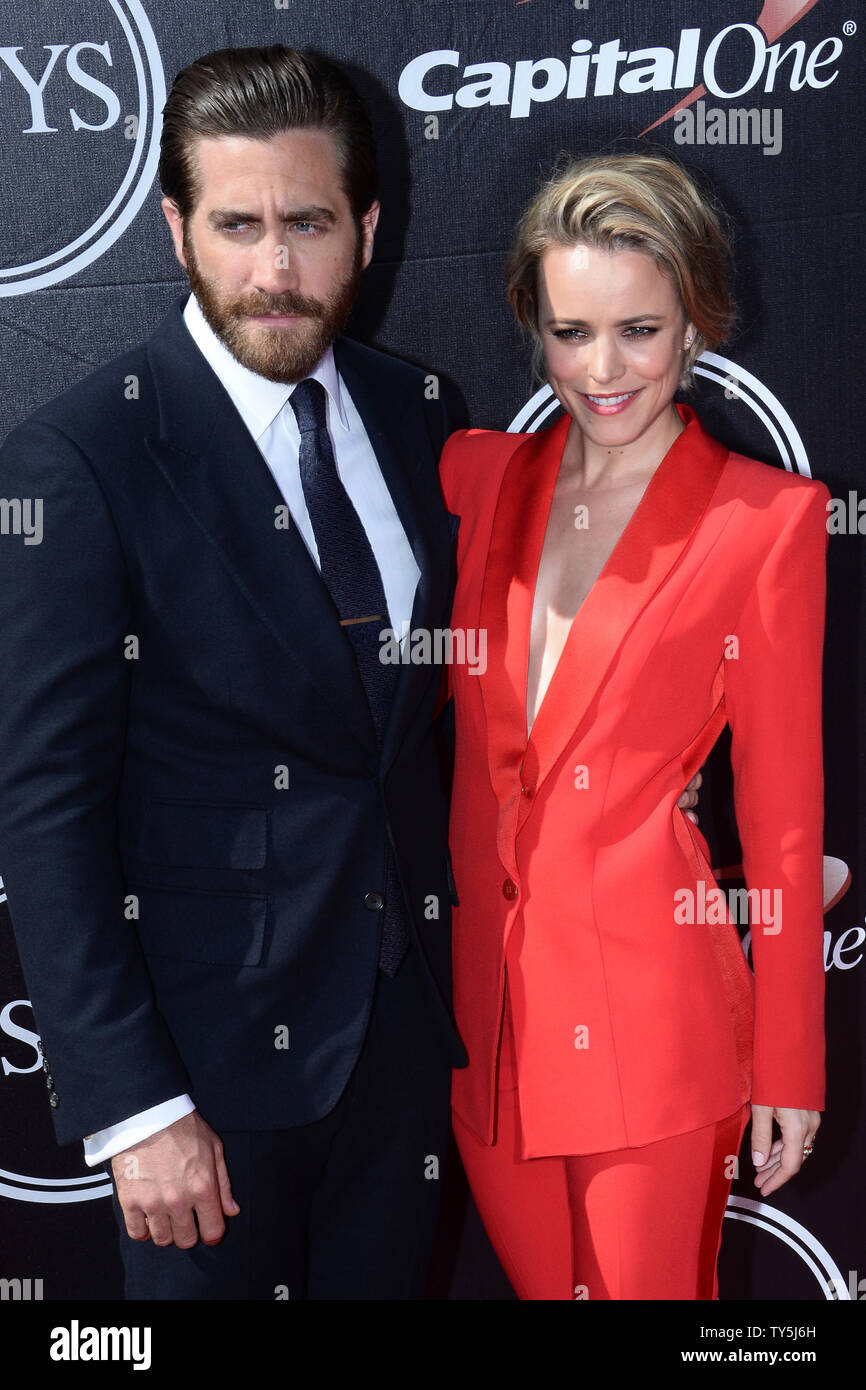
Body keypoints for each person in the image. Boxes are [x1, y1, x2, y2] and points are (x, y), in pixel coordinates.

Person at [0, 44, 472, 1301]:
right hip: (199, 1083)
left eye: (309, 223)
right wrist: (132, 1104)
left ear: (365, 229)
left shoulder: (419, 409)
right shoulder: (82, 458)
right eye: (238, 225)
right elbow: (43, 812)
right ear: (175, 227)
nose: (275, 270)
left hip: (404, 1049)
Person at [439, 152, 827, 1300]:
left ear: (696, 322)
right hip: (488, 1036)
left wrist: (791, 1066)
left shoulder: (764, 524)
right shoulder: (474, 479)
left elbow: (784, 816)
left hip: (650, 1034)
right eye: (568, 333)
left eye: (638, 331)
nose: (600, 371)